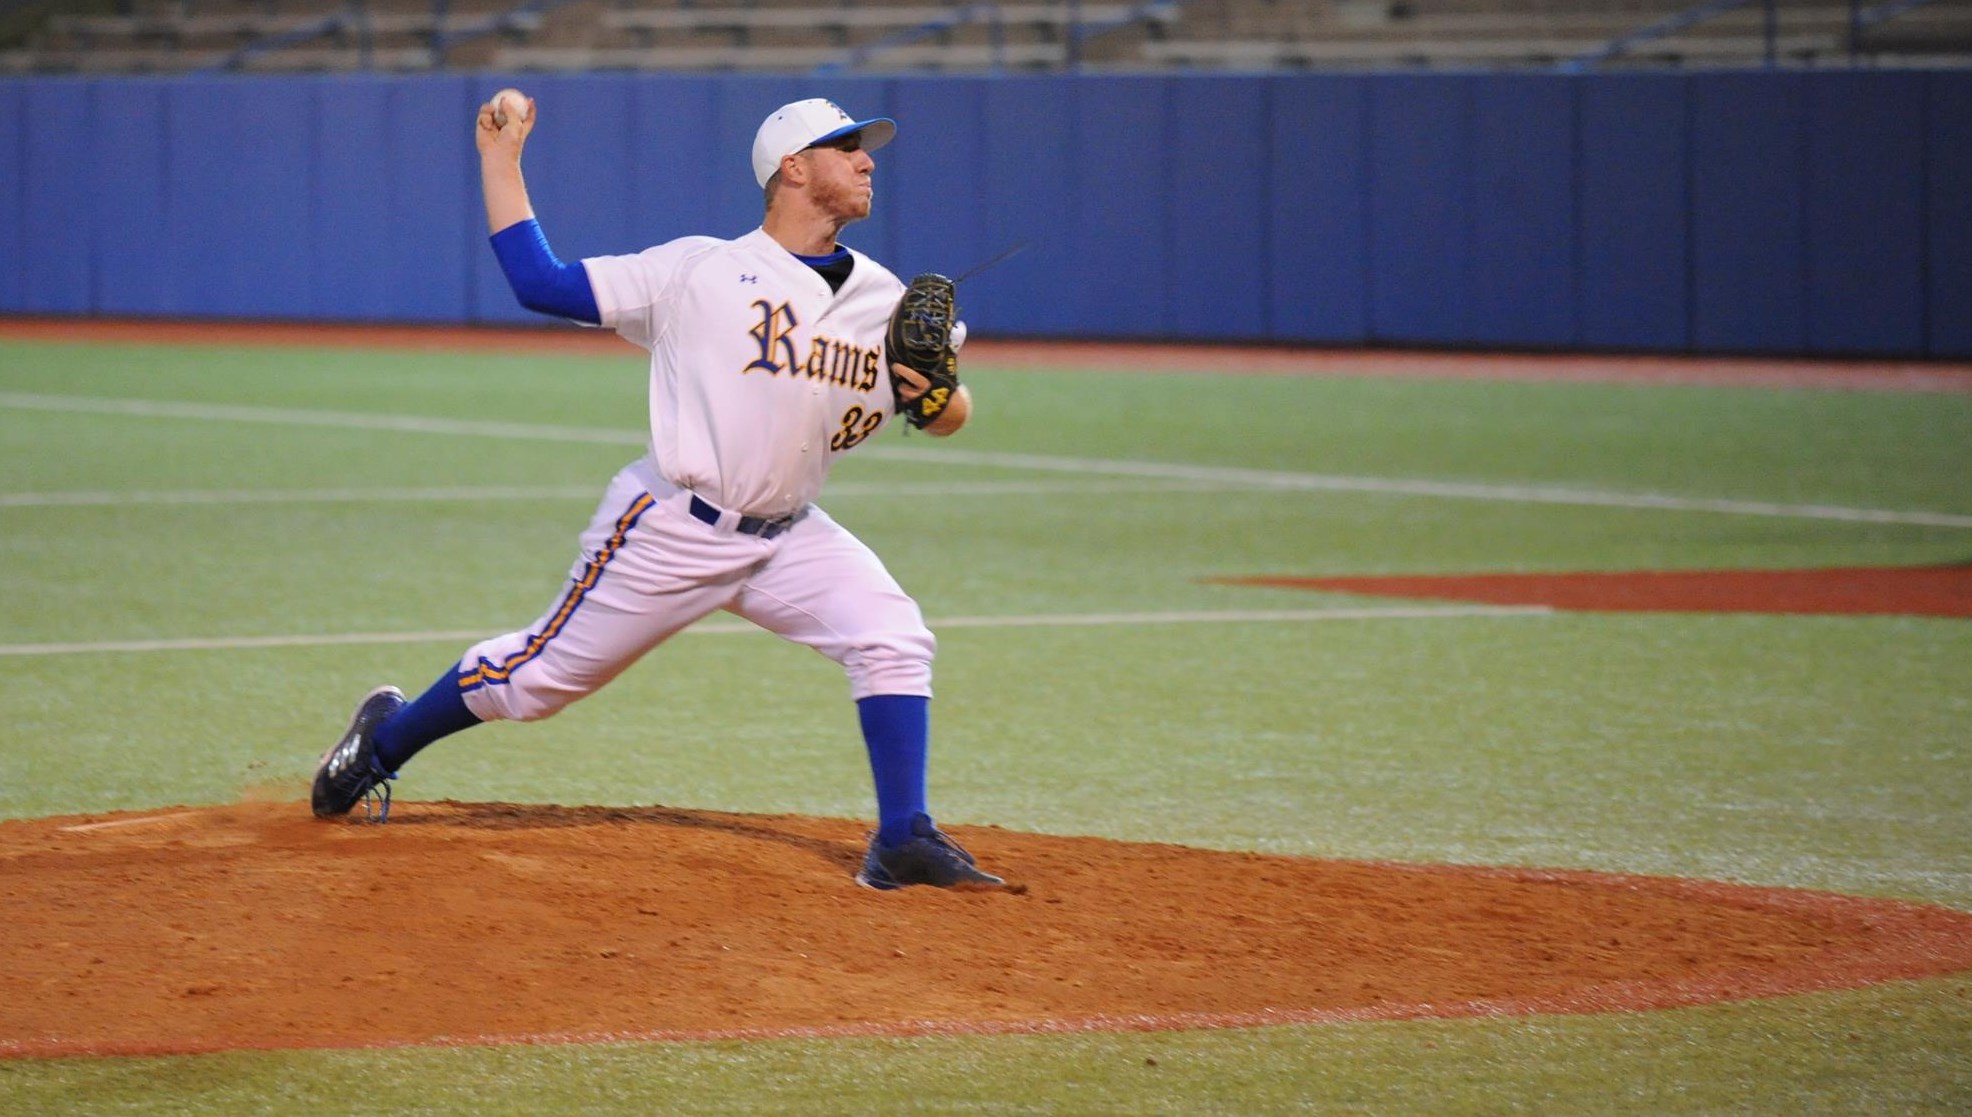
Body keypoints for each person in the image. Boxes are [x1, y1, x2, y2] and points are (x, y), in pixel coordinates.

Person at [310, 94, 1003, 891]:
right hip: (675, 523)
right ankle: (382, 743)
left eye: (864, 148)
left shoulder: (888, 301)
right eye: (846, 147)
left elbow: (951, 412)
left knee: (893, 636)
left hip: (789, 536)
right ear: (793, 167)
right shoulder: (699, 271)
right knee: (533, 682)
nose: (867, 159)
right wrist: (501, 161)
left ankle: (902, 837)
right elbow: (542, 283)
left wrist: (933, 397)